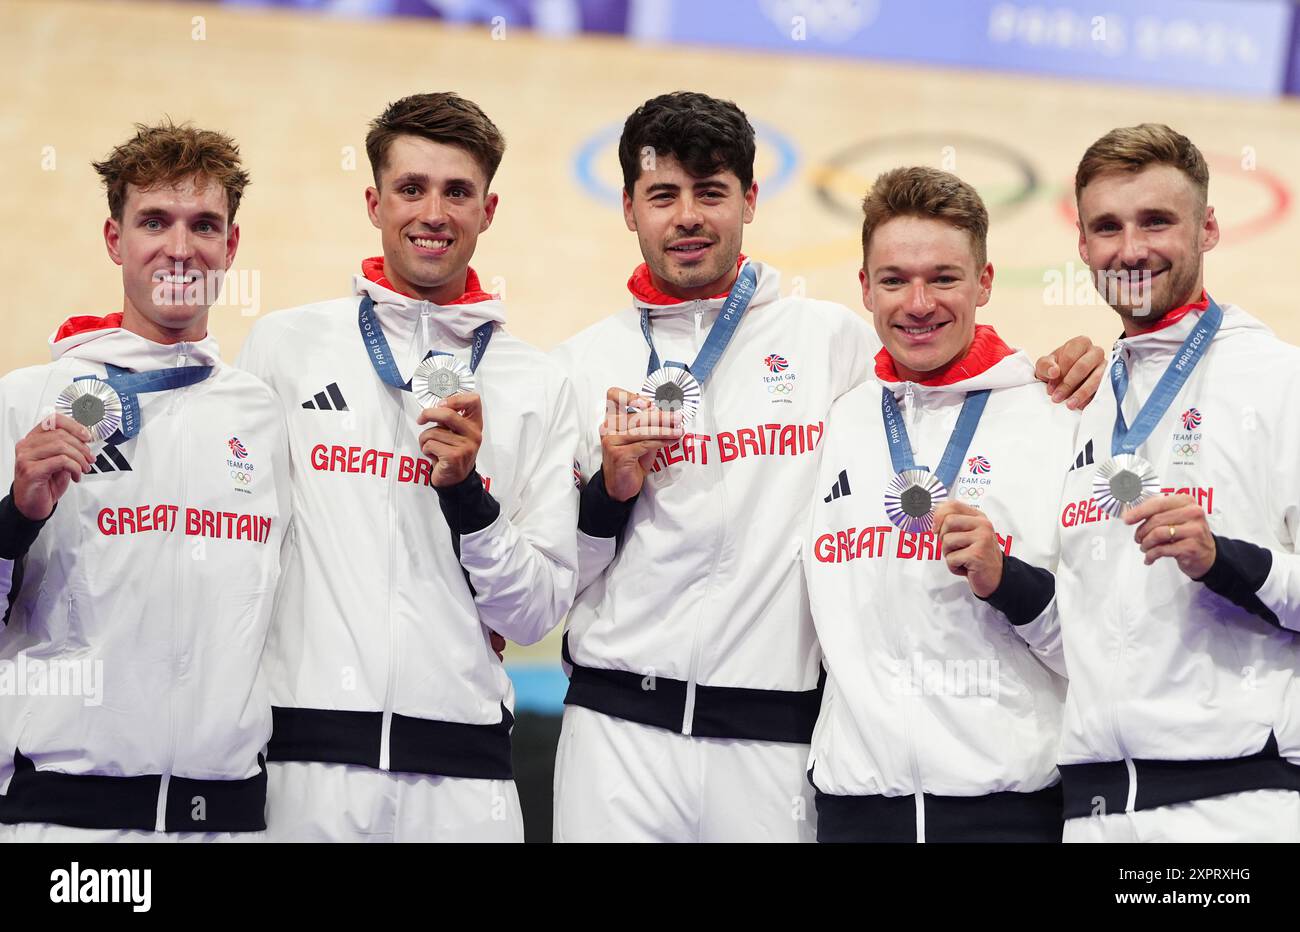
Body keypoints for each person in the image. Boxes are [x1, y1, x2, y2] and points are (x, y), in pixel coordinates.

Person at [550, 91, 1103, 842]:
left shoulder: (830, 345)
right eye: (662, 195)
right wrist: (607, 496)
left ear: (749, 200)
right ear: (627, 207)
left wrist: (1084, 376)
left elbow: (948, 366)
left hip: (773, 744)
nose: (687, 217)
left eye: (711, 193)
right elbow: (545, 588)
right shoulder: (577, 366)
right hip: (616, 730)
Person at [236, 92, 578, 842]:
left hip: (466, 778)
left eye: (457, 192)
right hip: (306, 765)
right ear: (374, 201)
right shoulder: (284, 349)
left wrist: (469, 499)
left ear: (488, 210)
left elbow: (535, 612)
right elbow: (238, 555)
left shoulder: (538, 383)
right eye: (411, 188)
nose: (434, 212)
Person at [0, 121, 288, 841]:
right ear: (113, 239)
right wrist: (16, 517)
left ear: (232, 246)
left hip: (224, 819)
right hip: (66, 822)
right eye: (154, 221)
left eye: (204, 225)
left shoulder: (262, 414)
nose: (180, 249)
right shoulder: (25, 401)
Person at [805, 166, 1074, 842]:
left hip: (1006, 814)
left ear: (985, 281)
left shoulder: (1059, 417)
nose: (918, 303)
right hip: (855, 812)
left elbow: (1104, 647)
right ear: (864, 287)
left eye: (944, 278)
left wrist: (1007, 580)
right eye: (894, 279)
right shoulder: (837, 420)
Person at [1056, 123, 1300, 842]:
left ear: (1210, 228)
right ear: (1082, 248)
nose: (1130, 249)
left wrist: (1224, 560)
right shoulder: (1080, 399)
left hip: (1235, 808)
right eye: (1107, 227)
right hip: (1094, 813)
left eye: (1156, 221)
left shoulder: (1281, 382)